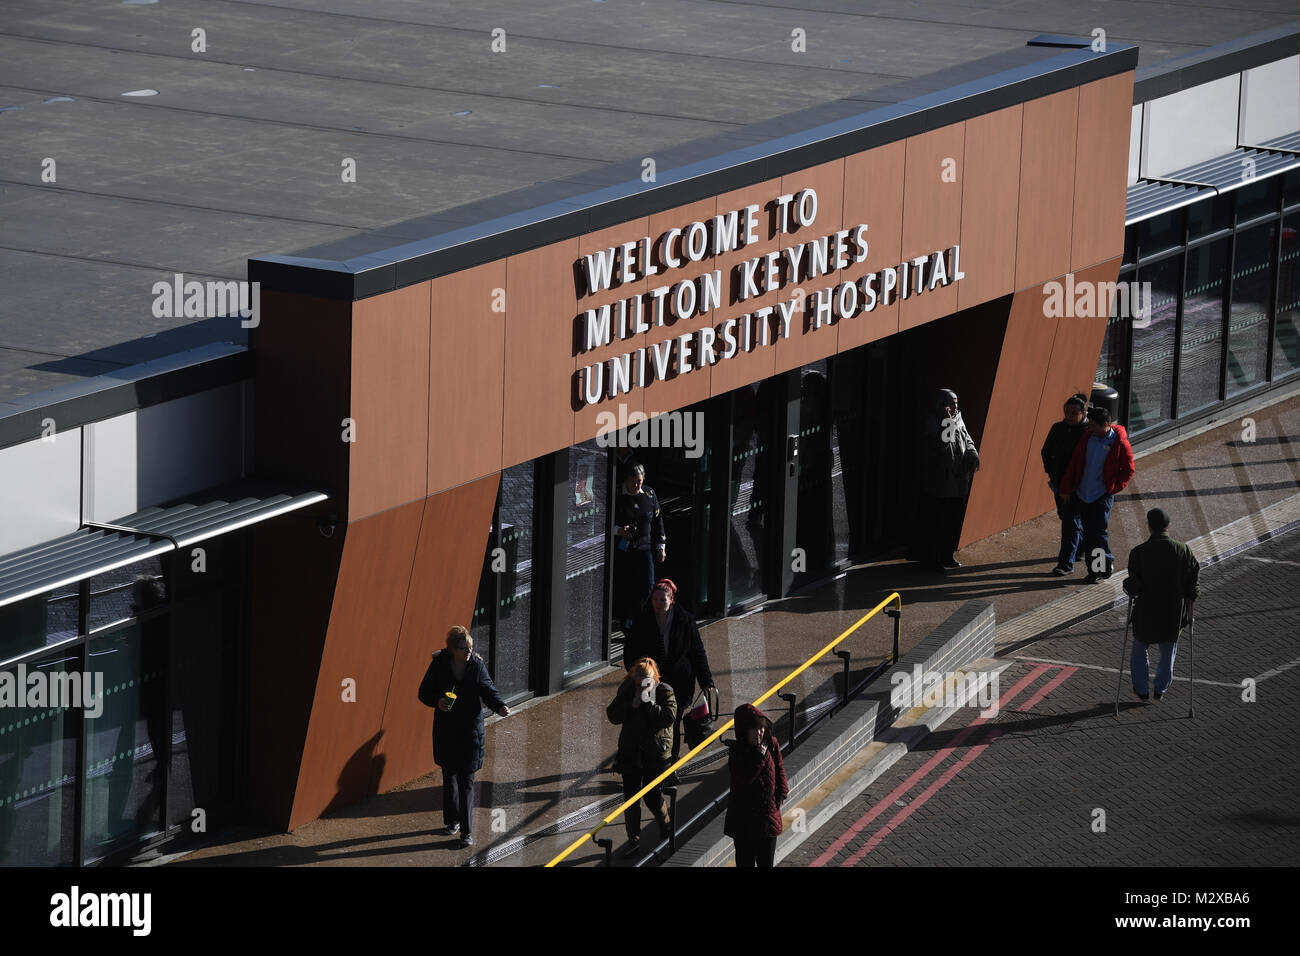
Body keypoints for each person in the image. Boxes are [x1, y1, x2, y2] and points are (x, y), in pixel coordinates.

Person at [417, 626, 510, 848]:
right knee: (450, 778)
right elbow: (424, 692)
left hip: (470, 732)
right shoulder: (439, 665)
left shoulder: (476, 665)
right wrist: (438, 701)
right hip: (447, 730)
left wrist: (500, 706)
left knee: (466, 781)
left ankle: (466, 832)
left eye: (470, 647)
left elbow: (488, 690)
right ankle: (452, 821)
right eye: (463, 648)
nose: (468, 651)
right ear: (451, 649)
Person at [622, 578, 715, 762]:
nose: (658, 604)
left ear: (671, 600)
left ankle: (671, 761)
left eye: (662, 600)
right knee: (651, 719)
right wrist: (635, 675)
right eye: (655, 600)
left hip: (679, 682)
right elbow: (631, 649)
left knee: (673, 721)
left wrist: (706, 680)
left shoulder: (685, 620)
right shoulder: (643, 619)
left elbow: (697, 651)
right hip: (650, 681)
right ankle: (654, 759)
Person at [1123, 509, 1199, 702]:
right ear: (1168, 525)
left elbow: (1135, 586)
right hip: (1173, 612)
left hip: (1146, 611)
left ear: (1149, 526)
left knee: (1140, 649)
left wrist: (1128, 586)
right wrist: (1190, 601)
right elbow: (1192, 582)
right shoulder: (1183, 550)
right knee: (1168, 652)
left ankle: (1141, 689)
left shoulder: (1139, 552)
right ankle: (1160, 688)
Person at [606, 657, 676, 857]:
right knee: (630, 798)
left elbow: (669, 718)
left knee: (652, 796)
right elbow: (613, 715)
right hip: (630, 753)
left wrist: (648, 703)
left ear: (654, 679)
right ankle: (633, 841)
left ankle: (665, 825)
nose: (642, 687)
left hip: (654, 754)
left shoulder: (663, 691)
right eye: (638, 683)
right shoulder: (628, 689)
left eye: (646, 683)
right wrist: (631, 704)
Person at [1059, 405, 1135, 584]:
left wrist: (1113, 488)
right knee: (1091, 534)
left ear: (1106, 424)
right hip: (1083, 494)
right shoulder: (1088, 438)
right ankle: (1103, 563)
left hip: (1101, 496)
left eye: (1094, 425)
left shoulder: (1119, 443)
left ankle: (1097, 570)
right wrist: (1067, 488)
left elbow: (1128, 469)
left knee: (1097, 535)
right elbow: (1075, 463)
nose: (1090, 428)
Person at [917, 388, 980, 572]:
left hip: (958, 481)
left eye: (956, 404)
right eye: (951, 404)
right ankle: (933, 559)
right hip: (941, 483)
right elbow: (941, 446)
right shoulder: (934, 422)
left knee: (953, 521)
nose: (954, 408)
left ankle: (947, 555)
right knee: (938, 523)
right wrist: (947, 422)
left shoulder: (958, 419)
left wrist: (973, 454)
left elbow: (967, 439)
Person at [724, 703, 789, 867]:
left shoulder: (771, 743)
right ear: (744, 730)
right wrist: (759, 757)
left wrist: (782, 791)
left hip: (767, 818)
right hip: (744, 822)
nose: (758, 733)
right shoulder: (737, 751)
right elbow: (745, 778)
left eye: (761, 728)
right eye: (753, 729)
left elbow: (779, 766)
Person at [612, 461, 666, 632]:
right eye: (633, 481)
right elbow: (602, 520)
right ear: (626, 479)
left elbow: (657, 521)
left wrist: (661, 545)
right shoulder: (617, 494)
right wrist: (618, 530)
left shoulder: (649, 494)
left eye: (639, 482)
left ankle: (640, 617)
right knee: (626, 586)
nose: (636, 485)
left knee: (648, 584)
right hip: (624, 549)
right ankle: (626, 624)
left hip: (644, 547)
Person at [1040, 393, 1090, 576]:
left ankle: (1065, 564)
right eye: (1067, 412)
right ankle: (1081, 547)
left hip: (1077, 486)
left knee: (1070, 523)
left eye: (1074, 413)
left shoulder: (1087, 433)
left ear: (1083, 413)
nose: (1069, 416)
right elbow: (1045, 451)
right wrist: (1051, 472)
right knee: (1067, 517)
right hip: (1058, 483)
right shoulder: (1058, 428)